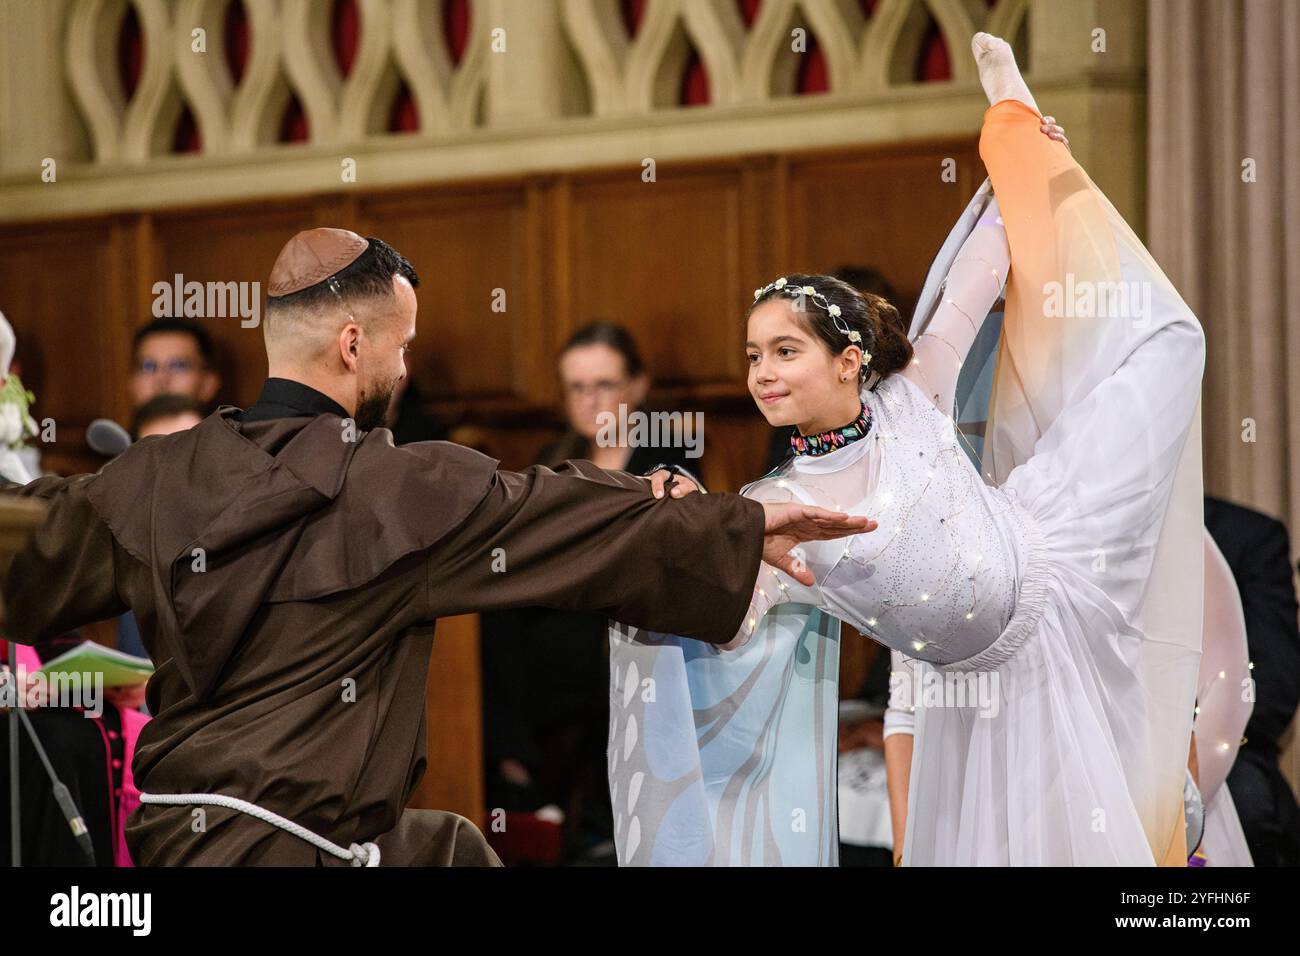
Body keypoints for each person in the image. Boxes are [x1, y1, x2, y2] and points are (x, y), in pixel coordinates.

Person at [0, 227, 868, 866]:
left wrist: (671, 500)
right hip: (299, 852)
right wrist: (737, 523)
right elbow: (543, 515)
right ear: (352, 345)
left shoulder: (147, 480)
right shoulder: (395, 489)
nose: (406, 368)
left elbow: (26, 538)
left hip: (172, 843)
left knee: (450, 851)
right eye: (401, 346)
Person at [609, 33, 1205, 866]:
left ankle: (1016, 119)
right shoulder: (771, 506)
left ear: (849, 360)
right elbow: (737, 612)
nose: (763, 375)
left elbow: (977, 274)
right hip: (971, 697)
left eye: (786, 352)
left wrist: (1027, 168)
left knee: (1173, 342)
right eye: (752, 356)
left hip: (1050, 549)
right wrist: (663, 535)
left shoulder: (909, 394)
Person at [480, 321, 698, 864]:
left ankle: (581, 817)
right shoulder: (555, 459)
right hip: (560, 622)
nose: (590, 399)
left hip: (634, 627)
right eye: (576, 387)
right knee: (491, 611)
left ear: (637, 386)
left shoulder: (670, 455)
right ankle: (519, 774)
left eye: (603, 384)